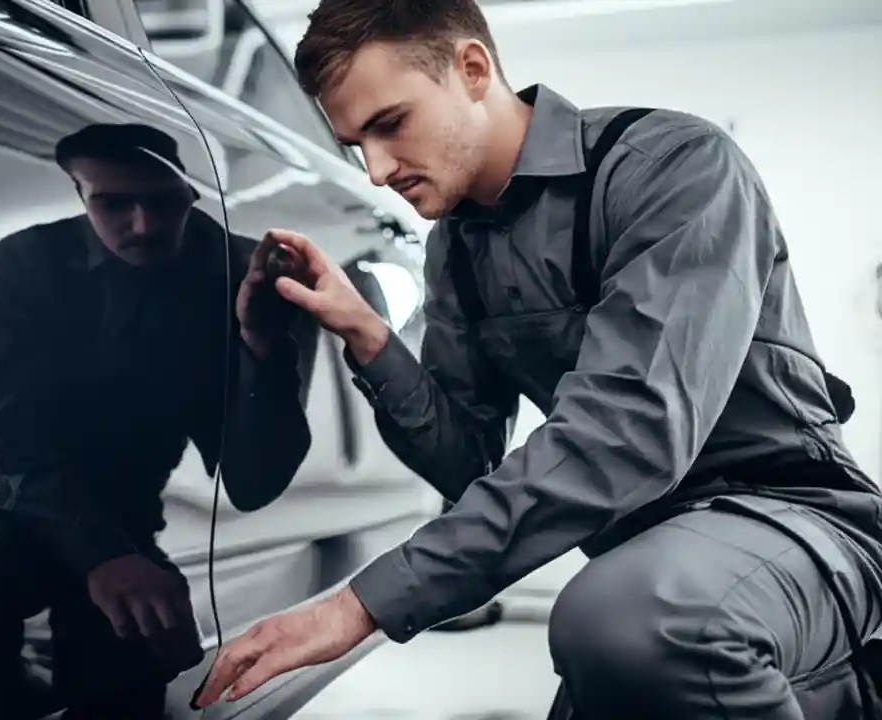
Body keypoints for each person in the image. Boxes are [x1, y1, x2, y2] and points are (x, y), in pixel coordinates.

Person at [190, 2, 882, 718]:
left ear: (472, 70)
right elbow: (468, 461)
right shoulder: (455, 249)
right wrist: (367, 335)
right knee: (619, 625)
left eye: (390, 124)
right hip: (643, 557)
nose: (374, 170)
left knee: (628, 625)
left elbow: (631, 434)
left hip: (794, 518)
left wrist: (361, 603)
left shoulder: (674, 168)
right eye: (353, 144)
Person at [0, 123, 313, 720]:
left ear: (191, 196)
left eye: (161, 202)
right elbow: (1, 437)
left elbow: (254, 480)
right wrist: (103, 554)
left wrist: (263, 344)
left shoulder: (250, 277)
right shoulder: (23, 263)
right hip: (36, 509)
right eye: (113, 203)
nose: (143, 225)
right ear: (81, 196)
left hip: (136, 521)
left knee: (121, 691)